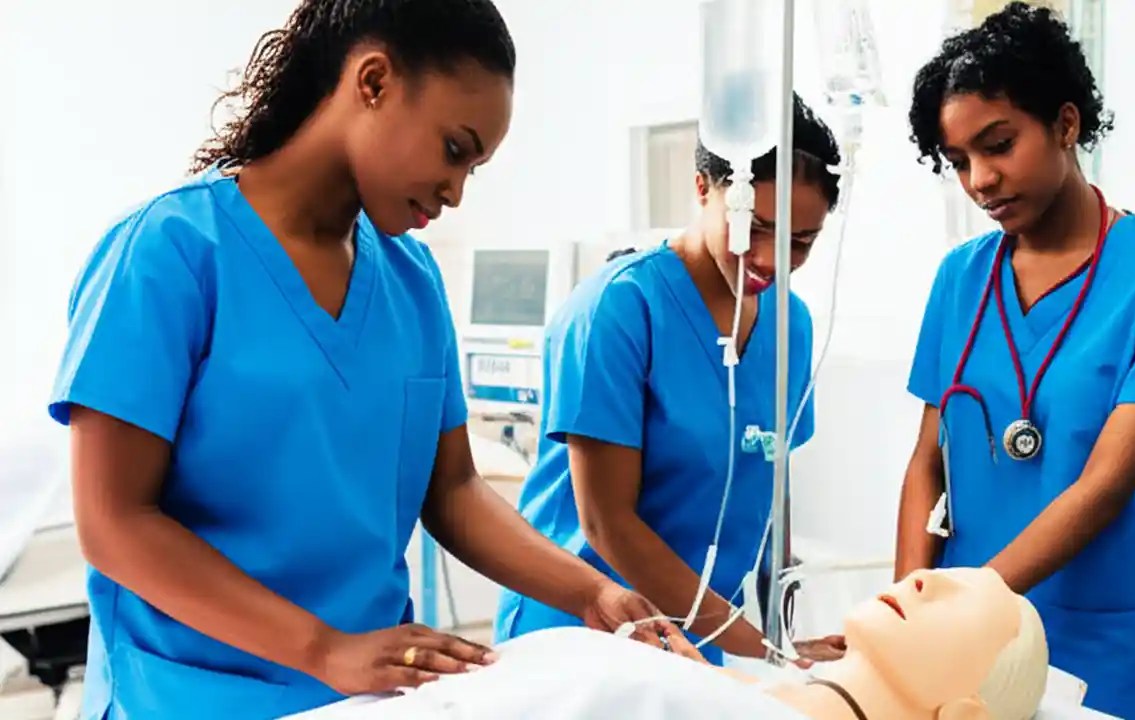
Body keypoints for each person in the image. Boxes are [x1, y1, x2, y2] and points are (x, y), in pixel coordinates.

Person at [48, 2, 683, 718]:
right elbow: (113, 522)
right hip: (189, 693)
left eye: (473, 169)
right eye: (454, 149)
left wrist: (592, 591)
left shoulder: (413, 281)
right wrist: (323, 648)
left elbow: (452, 490)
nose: (455, 191)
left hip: (368, 693)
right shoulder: (169, 253)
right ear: (373, 82)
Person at [894, 4, 1135, 718]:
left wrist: (964, 607)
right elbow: (928, 462)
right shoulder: (959, 278)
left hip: (1106, 653)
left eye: (999, 145)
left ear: (1065, 123)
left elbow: (1104, 486)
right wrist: (906, 614)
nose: (980, 179)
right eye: (958, 161)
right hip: (968, 656)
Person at [493, 95, 846, 666]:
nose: (769, 259)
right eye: (753, 227)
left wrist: (778, 644)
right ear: (703, 188)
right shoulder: (617, 309)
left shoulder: (792, 325)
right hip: (582, 632)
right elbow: (607, 523)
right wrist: (758, 648)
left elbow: (768, 499)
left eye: (799, 242)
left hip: (699, 640)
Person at [291, 567, 1049, 720]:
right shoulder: (731, 695)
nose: (923, 577)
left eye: (961, 600)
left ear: (964, 715)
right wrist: (719, 680)